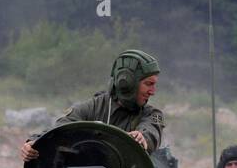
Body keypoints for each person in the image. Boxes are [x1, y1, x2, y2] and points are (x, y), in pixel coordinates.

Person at [21, 50, 165, 161]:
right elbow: (61, 128)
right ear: (126, 83)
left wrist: (141, 138)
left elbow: (151, 131)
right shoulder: (94, 107)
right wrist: (34, 143)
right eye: (148, 84)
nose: (153, 91)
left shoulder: (152, 114)